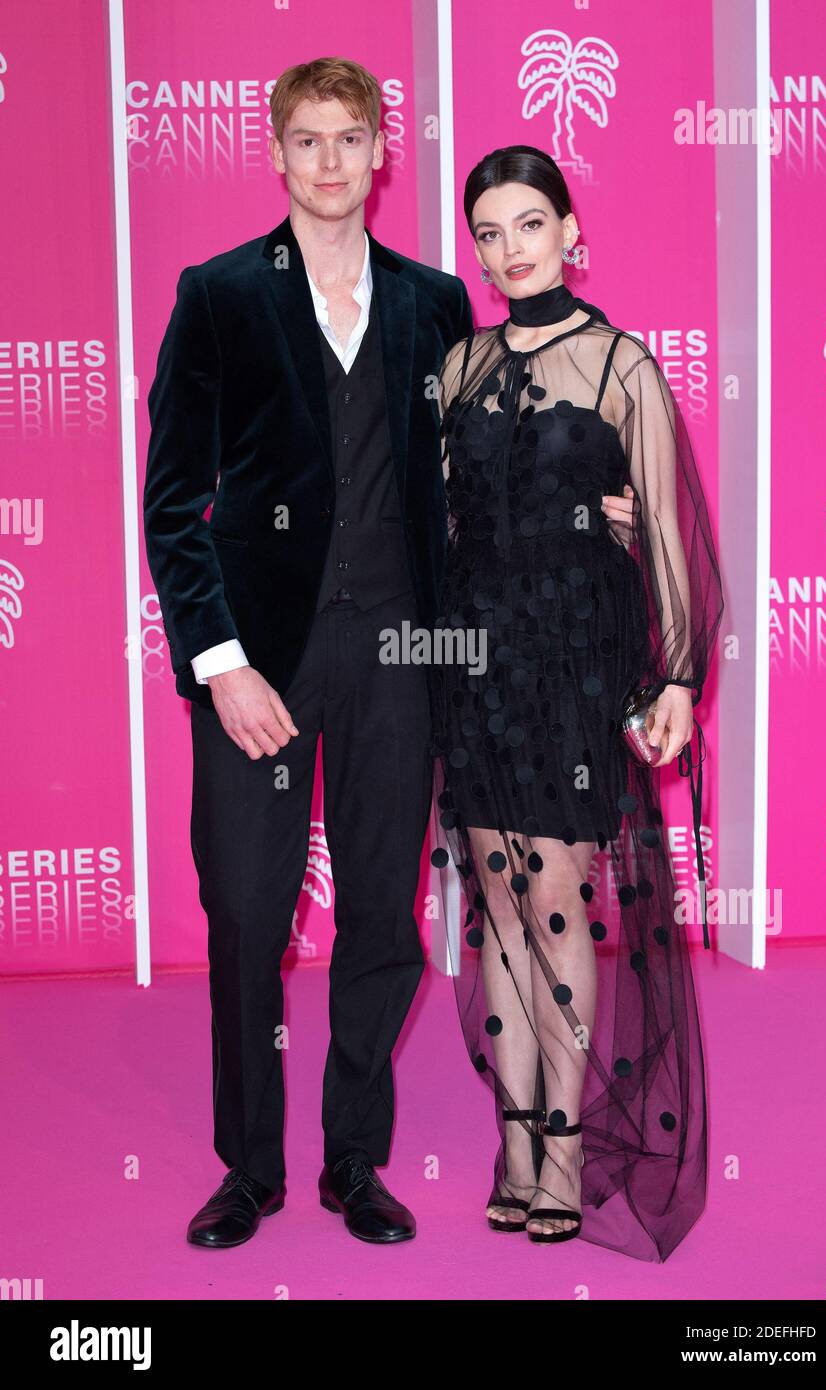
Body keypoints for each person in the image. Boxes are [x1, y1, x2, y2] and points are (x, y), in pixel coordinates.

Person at [142, 57, 476, 1248]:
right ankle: (250, 1168)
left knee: (383, 913)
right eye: (307, 141)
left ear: (382, 149)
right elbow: (172, 501)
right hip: (262, 667)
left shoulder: (436, 304)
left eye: (350, 139)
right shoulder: (221, 294)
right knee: (244, 911)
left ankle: (352, 1159)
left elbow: (464, 490)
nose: (330, 162)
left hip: (398, 654)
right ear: (275, 154)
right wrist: (221, 664)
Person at [430, 145, 724, 1260]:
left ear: (568, 231)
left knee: (556, 901)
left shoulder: (618, 366)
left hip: (574, 661)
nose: (509, 251)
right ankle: (514, 1148)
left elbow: (667, 532)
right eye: (489, 234)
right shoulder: (455, 369)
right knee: (497, 909)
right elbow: (443, 525)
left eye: (527, 225)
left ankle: (561, 1153)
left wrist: (680, 678)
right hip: (475, 663)